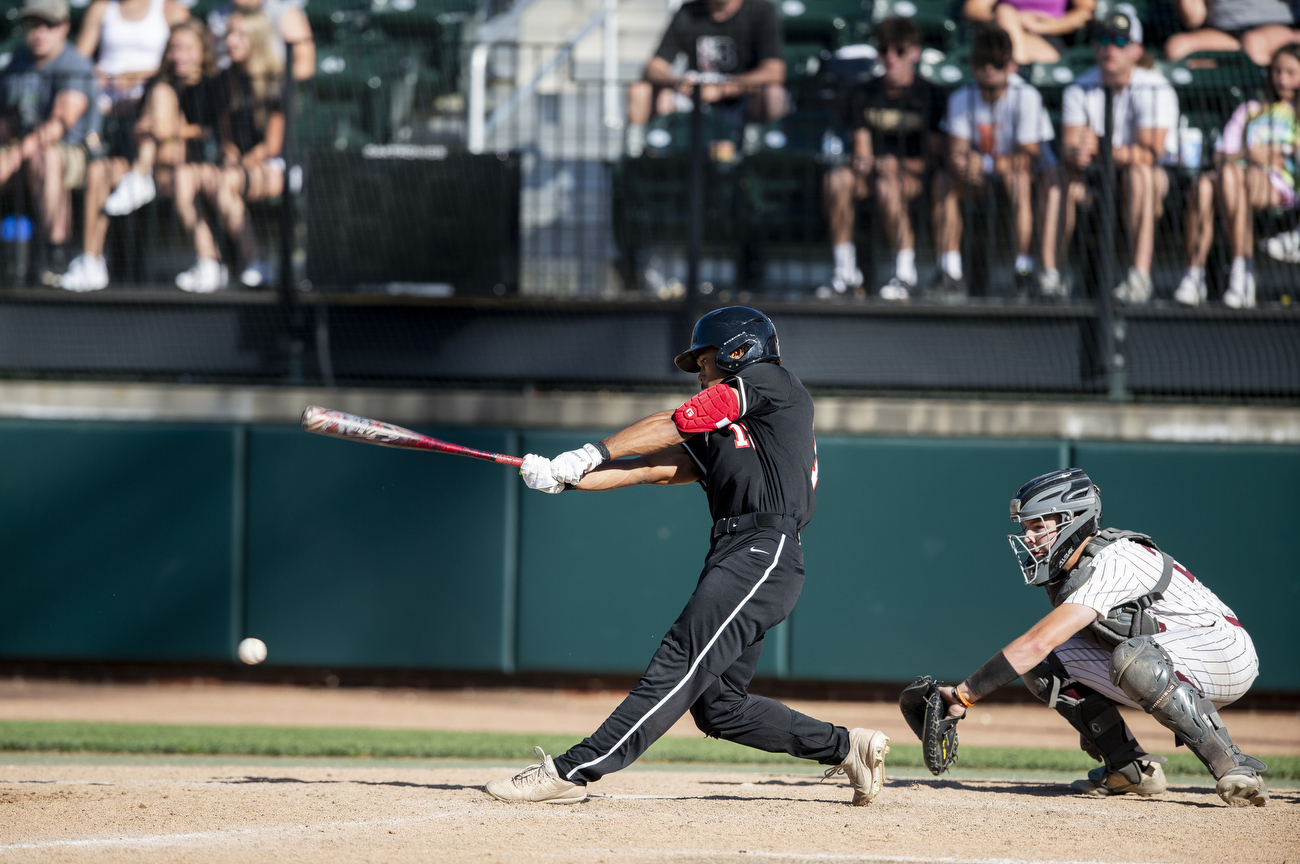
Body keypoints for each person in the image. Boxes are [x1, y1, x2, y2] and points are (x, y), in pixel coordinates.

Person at [485, 306, 890, 806]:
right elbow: (648, 468)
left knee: (679, 658)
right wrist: (560, 476)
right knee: (720, 708)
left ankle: (572, 772)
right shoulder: (734, 428)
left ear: (739, 352)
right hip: (738, 552)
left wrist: (591, 452)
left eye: (706, 360)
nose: (700, 371)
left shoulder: (770, 381)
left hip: (764, 550)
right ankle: (848, 747)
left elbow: (678, 421)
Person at [933, 468, 1267, 807]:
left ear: (1073, 519)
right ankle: (1130, 768)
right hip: (1172, 656)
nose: (1029, 537)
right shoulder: (1072, 571)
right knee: (1047, 665)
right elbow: (1045, 653)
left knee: (1129, 658)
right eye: (1026, 528)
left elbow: (1037, 640)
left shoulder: (1115, 558)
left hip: (1223, 652)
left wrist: (962, 695)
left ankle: (1232, 765)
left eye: (1038, 526)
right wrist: (1090, 718)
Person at [60, 18, 221, 292]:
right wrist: (145, 129)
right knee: (99, 170)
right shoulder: (157, 84)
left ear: (203, 51)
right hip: (149, 160)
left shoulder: (211, 85)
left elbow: (212, 130)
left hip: (184, 164)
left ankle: (139, 176)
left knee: (162, 96)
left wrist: (174, 131)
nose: (178, 55)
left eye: (187, 48)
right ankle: (91, 261)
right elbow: (143, 129)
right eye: (174, 47)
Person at [1038, 6, 1178, 302]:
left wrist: (1100, 147)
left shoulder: (1155, 87)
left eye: (1119, 42)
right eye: (1103, 41)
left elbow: (1150, 153)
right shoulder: (1079, 88)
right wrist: (1076, 153)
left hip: (1150, 178)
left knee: (1140, 176)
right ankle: (1052, 275)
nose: (1110, 50)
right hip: (1095, 178)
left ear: (1136, 51)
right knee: (1056, 178)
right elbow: (1068, 146)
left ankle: (1139, 277)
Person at [821, 17, 943, 301]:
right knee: (836, 179)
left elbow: (935, 159)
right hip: (874, 173)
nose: (890, 57)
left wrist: (898, 165)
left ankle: (904, 274)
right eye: (883, 49)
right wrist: (865, 161)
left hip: (915, 177)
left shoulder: (931, 95)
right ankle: (845, 273)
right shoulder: (862, 92)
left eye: (899, 50)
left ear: (915, 53)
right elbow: (862, 147)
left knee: (889, 186)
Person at [932, 25, 1054, 298]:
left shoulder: (1027, 97)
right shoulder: (961, 98)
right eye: (982, 62)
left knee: (1018, 181)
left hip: (1026, 178)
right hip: (980, 179)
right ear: (972, 65)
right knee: (944, 182)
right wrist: (964, 164)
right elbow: (956, 151)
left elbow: (1028, 159)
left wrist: (984, 164)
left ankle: (1023, 271)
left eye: (997, 63)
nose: (989, 69)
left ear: (1011, 66)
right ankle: (949, 271)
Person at [1177, 45, 1300, 309]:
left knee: (1232, 176)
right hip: (1237, 176)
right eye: (1277, 71)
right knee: (1203, 185)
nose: (1282, 78)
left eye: (1290, 72)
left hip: (1282, 184)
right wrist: (1251, 153)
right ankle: (1194, 276)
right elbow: (1221, 155)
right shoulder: (1251, 109)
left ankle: (1242, 271)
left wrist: (1281, 149)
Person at [174, 9, 284, 292]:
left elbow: (272, 143)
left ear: (255, 38)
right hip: (234, 166)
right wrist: (231, 153)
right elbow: (225, 134)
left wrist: (244, 162)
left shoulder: (275, 79)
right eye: (229, 34)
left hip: (272, 166)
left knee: (226, 181)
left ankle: (257, 260)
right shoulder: (225, 79)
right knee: (185, 176)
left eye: (238, 35)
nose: (230, 41)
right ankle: (209, 262)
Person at [0, 0, 99, 286]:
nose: (39, 32)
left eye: (48, 25)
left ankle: (56, 258)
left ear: (65, 28)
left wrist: (11, 158)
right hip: (21, 146)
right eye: (33, 25)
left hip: (72, 150)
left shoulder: (74, 63)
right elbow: (7, 119)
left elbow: (58, 125)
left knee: (45, 157)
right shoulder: (17, 62)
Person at [625, 0, 785, 157]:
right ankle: (637, 155)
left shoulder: (761, 10)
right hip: (693, 97)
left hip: (742, 99)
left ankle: (767, 158)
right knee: (639, 89)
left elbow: (774, 71)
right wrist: (678, 83)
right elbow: (653, 68)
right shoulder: (689, 11)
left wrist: (722, 89)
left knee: (774, 92)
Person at [1165, 0, 1299, 67]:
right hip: (1223, 32)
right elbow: (1194, 19)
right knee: (1177, 48)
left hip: (1276, 26)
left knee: (1253, 43)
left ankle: (1263, 109)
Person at [962, 0, 1096, 66]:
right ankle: (1019, 69)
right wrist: (1017, 18)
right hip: (1007, 30)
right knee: (1004, 11)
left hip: (1050, 38)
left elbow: (1085, 11)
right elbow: (973, 9)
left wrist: (1042, 26)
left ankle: (1016, 71)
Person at [208, 0, 314, 81]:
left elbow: (305, 67)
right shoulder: (218, 15)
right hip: (229, 91)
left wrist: (265, 81)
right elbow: (212, 63)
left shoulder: (286, 14)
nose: (230, 41)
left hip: (273, 94)